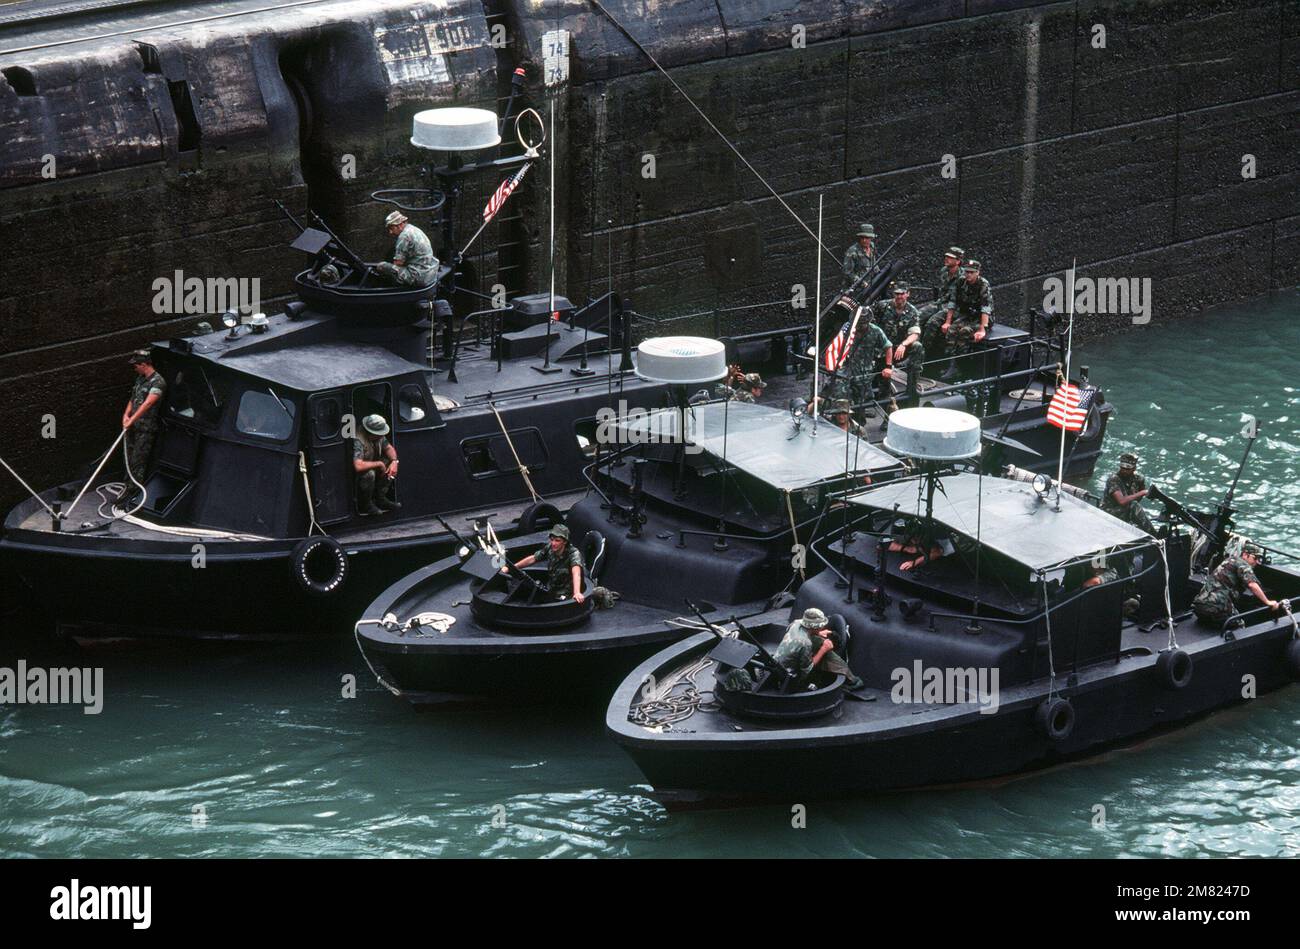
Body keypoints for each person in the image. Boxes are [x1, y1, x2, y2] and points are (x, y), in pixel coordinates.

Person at [774, 607, 864, 690]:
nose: (823, 627)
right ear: (814, 627)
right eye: (820, 626)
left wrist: (818, 633)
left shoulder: (796, 623)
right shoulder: (805, 643)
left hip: (778, 663)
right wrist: (824, 649)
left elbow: (794, 632)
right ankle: (851, 680)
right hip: (789, 676)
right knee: (823, 651)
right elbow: (807, 670)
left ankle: (847, 674)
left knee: (818, 641)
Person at [1192, 542, 1279, 627]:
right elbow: (1252, 585)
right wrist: (1268, 602)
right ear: (1245, 555)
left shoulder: (1229, 560)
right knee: (1240, 624)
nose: (1257, 562)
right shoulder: (1243, 564)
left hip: (1199, 606)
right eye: (1255, 558)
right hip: (1216, 608)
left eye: (1259, 559)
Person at [870, 281, 925, 407]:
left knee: (917, 347)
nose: (899, 296)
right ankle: (884, 403)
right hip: (881, 349)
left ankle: (912, 389)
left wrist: (904, 344)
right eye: (897, 293)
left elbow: (915, 333)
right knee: (883, 380)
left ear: (908, 294)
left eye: (902, 293)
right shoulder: (882, 306)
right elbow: (869, 323)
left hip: (899, 349)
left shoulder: (912, 311)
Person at [121, 350, 166, 490]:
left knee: (137, 461)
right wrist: (126, 415)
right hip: (133, 426)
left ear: (144, 364)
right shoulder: (140, 379)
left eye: (135, 366)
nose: (134, 369)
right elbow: (133, 398)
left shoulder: (158, 382)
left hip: (145, 428)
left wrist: (132, 419)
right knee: (128, 457)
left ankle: (132, 490)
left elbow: (148, 403)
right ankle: (126, 485)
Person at [508, 524, 586, 603]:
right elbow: (533, 558)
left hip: (567, 594)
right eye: (552, 539)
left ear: (565, 541)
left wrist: (577, 593)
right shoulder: (550, 548)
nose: (553, 543)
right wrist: (512, 567)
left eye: (557, 540)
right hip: (552, 589)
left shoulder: (573, 554)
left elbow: (576, 573)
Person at [919, 246, 965, 361]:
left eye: (950, 257)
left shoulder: (962, 277)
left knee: (932, 322)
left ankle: (921, 357)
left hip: (956, 307)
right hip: (943, 302)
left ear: (958, 261)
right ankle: (913, 350)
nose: (946, 259)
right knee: (918, 316)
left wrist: (948, 321)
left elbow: (955, 301)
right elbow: (943, 293)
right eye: (946, 256)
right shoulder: (944, 271)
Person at [372, 211, 439, 287]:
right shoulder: (413, 228)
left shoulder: (404, 236)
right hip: (429, 272)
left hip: (419, 277)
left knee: (382, 266)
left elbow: (398, 263)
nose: (390, 232)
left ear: (399, 225)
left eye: (391, 228)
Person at [352, 414, 401, 515]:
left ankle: (380, 498)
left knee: (389, 464)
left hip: (372, 463)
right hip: (356, 475)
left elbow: (388, 448)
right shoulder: (358, 439)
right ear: (371, 432)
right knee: (369, 474)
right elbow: (358, 465)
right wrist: (379, 464)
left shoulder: (378, 436)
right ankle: (365, 505)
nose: (382, 435)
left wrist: (394, 461)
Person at [1100, 452, 1157, 534]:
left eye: (1128, 469)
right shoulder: (1114, 479)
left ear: (1134, 468)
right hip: (1109, 512)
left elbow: (1138, 498)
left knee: (1134, 505)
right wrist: (1142, 492)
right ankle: (1154, 534)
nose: (1124, 470)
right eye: (1122, 467)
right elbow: (1121, 501)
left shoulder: (1138, 479)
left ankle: (1151, 532)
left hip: (1124, 511)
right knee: (1133, 505)